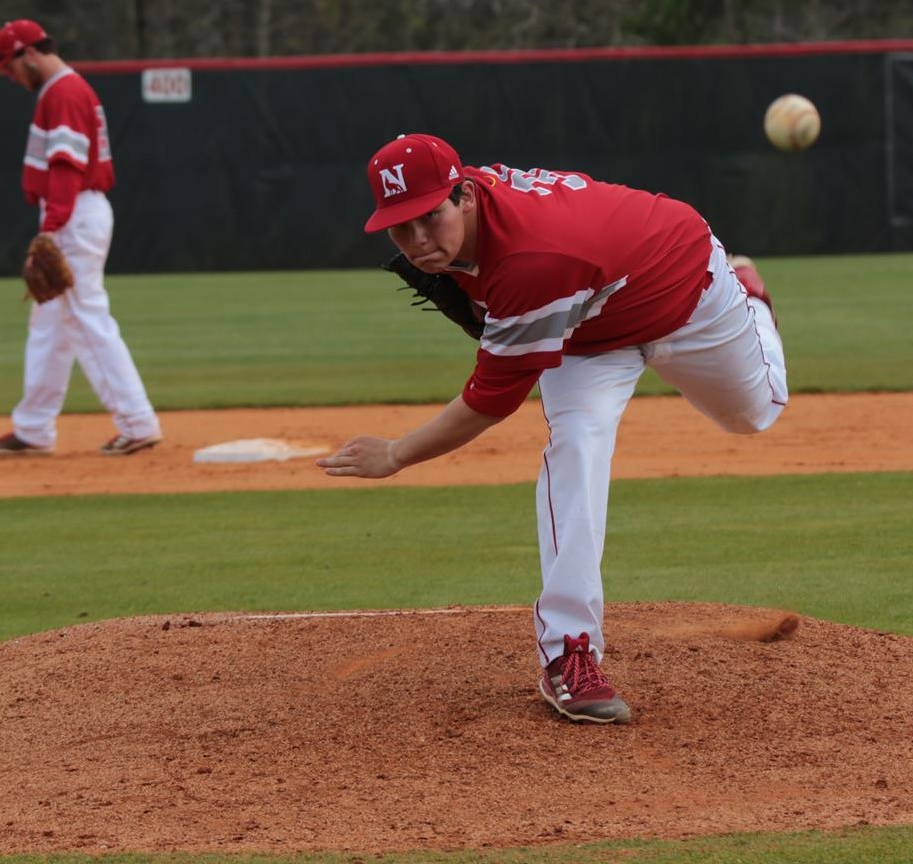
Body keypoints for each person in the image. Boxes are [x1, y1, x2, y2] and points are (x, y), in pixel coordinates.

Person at [317, 133, 788, 724]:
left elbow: (489, 401)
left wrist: (397, 454)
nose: (416, 241)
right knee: (577, 446)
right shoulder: (479, 224)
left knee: (753, 413)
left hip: (685, 288)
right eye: (399, 226)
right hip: (587, 332)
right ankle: (570, 651)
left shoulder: (533, 260)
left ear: (465, 194)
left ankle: (751, 297)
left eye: (428, 218)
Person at [0, 19, 162, 457]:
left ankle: (137, 422)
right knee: (48, 324)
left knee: (85, 318)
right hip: (73, 210)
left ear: (29, 53)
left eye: (10, 66)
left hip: (73, 210)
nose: (9, 75)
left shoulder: (63, 91)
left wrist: (51, 228)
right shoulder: (61, 90)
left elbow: (66, 166)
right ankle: (33, 428)